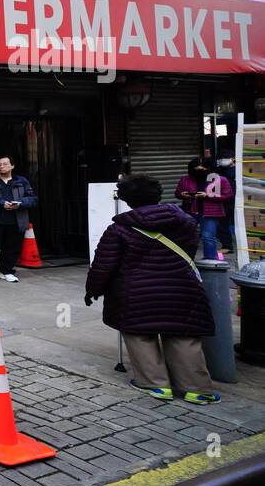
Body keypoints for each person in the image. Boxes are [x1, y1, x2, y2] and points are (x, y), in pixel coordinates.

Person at [85, 174, 221, 405]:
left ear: (127, 199)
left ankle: (155, 385)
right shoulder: (185, 221)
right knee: (183, 336)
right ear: (158, 195)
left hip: (136, 293)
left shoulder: (119, 230)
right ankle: (197, 389)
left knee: (141, 335)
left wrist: (93, 289)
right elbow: (188, 250)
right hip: (182, 289)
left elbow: (104, 265)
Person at [175, 156, 234, 260]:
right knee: (186, 236)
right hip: (190, 211)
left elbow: (228, 196)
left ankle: (210, 260)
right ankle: (185, 260)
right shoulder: (185, 179)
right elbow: (178, 193)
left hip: (210, 212)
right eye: (197, 169)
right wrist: (183, 194)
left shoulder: (220, 180)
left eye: (203, 169)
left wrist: (207, 196)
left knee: (208, 237)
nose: (200, 171)